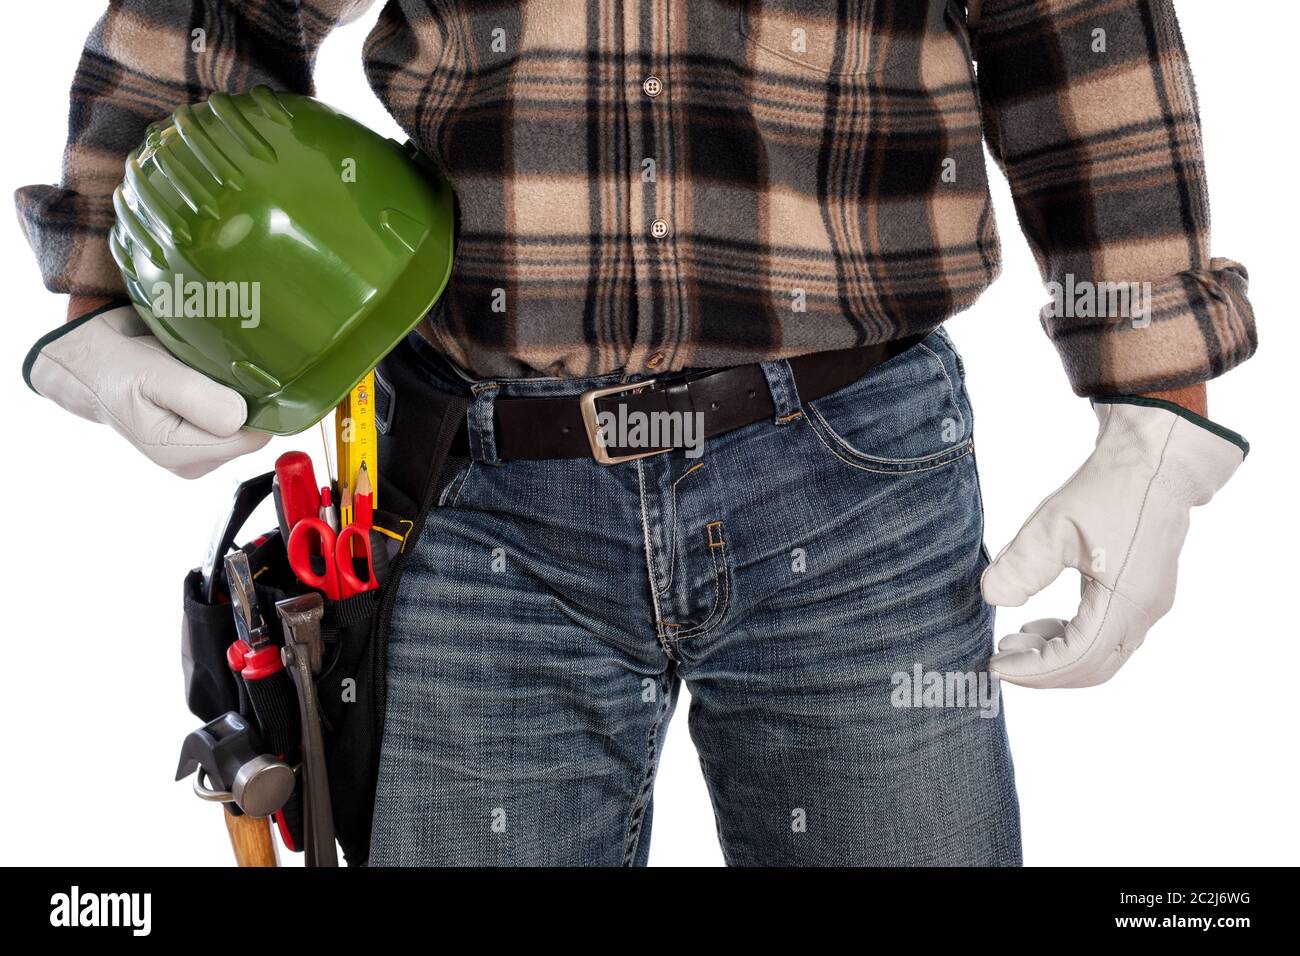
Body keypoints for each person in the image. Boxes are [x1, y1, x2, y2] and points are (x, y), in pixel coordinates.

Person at [20, 1, 1253, 866]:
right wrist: (102, 292)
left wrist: (1157, 412)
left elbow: (1072, 26)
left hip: (857, 477)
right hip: (473, 484)